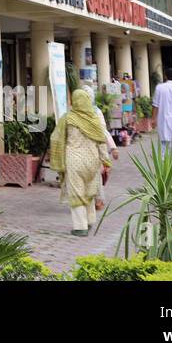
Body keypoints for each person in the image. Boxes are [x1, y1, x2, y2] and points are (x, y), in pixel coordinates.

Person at [50, 88, 112, 236]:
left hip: (74, 160)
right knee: (89, 190)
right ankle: (90, 220)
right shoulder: (94, 119)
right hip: (93, 161)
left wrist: (58, 156)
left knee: (76, 193)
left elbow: (56, 138)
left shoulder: (67, 118)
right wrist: (105, 160)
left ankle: (80, 227)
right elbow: (102, 141)